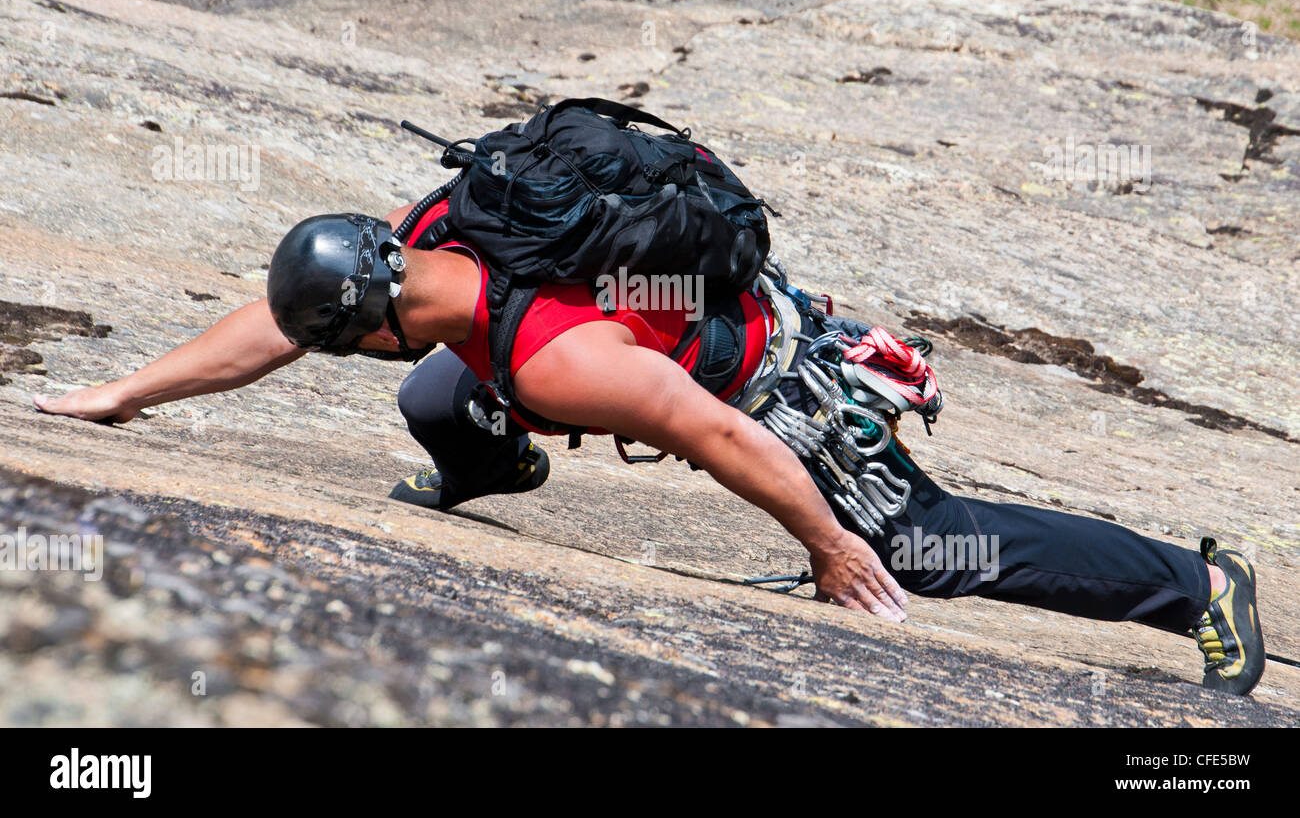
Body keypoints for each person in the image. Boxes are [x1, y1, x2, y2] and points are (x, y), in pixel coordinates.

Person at [34, 199, 1267, 697]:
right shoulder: (431, 233)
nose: (327, 348)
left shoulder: (554, 361)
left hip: (782, 385)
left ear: (380, 308)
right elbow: (279, 322)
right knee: (434, 403)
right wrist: (126, 396)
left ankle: (1194, 581)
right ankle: (493, 458)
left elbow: (719, 432)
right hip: (640, 352)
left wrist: (834, 550)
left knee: (932, 547)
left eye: (340, 340)